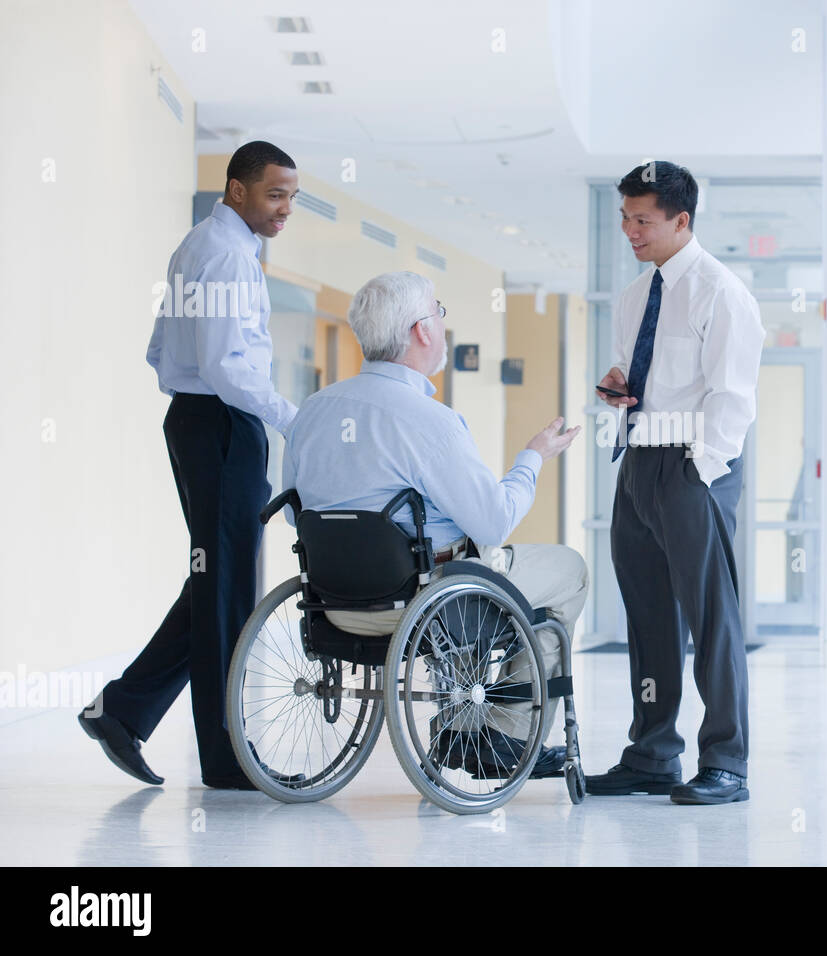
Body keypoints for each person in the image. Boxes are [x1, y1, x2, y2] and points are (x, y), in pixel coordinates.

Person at [283, 270, 586, 776]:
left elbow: (298, 514)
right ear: (422, 330)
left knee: (447, 559)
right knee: (567, 570)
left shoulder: (312, 412)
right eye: (439, 313)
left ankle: (461, 731)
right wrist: (530, 459)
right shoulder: (431, 421)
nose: (442, 326)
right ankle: (507, 736)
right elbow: (493, 523)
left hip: (334, 608)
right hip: (425, 606)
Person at [80, 141, 301, 789]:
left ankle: (124, 710)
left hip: (196, 421)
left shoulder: (198, 245)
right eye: (274, 194)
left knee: (218, 581)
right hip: (224, 425)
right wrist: (295, 418)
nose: (286, 208)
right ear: (237, 190)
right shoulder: (229, 257)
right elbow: (228, 367)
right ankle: (228, 761)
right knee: (225, 586)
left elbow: (159, 349)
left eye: (292, 195)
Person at [588, 160, 765, 805]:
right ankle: (653, 754)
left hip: (695, 468)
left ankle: (727, 762)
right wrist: (619, 390)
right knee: (648, 618)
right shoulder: (638, 295)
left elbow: (733, 397)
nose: (631, 232)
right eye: (625, 219)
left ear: (681, 220)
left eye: (644, 221)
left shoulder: (722, 292)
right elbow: (642, 375)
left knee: (711, 617)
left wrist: (699, 472)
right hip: (638, 462)